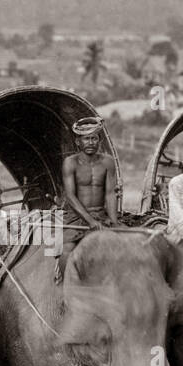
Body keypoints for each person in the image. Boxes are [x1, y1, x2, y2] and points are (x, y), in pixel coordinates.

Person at [57, 117, 118, 281]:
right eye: (86, 139)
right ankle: (66, 290)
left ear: (100, 140)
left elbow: (110, 193)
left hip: (100, 215)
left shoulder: (108, 162)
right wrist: (90, 221)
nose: (91, 142)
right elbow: (70, 196)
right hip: (75, 217)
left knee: (120, 246)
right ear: (78, 141)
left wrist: (113, 221)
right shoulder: (70, 163)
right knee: (66, 251)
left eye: (94, 138)